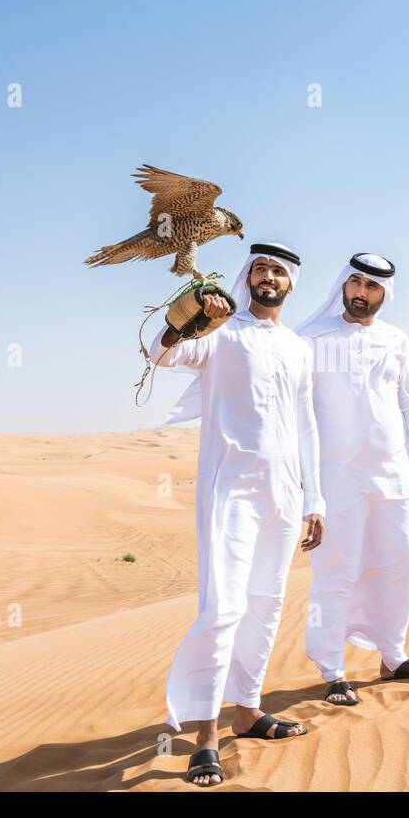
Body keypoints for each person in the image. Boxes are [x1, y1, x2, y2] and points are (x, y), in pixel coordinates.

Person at [149, 242, 326, 787]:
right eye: (258, 268)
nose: (267, 276)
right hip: (229, 490)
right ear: (247, 277)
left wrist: (314, 497)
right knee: (223, 605)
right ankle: (205, 734)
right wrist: (187, 321)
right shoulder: (220, 331)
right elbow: (161, 354)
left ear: (290, 283)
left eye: (276, 271)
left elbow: (306, 425)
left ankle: (247, 710)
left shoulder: (298, 347)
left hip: (283, 493)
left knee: (266, 603)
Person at [295, 253, 409, 709]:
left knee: (399, 564)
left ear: (386, 294)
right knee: (336, 572)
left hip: (393, 472)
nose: (362, 292)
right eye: (356, 283)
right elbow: (295, 414)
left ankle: (393, 656)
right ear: (343, 285)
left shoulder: (396, 340)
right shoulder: (310, 339)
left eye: (372, 287)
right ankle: (332, 669)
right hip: (334, 476)